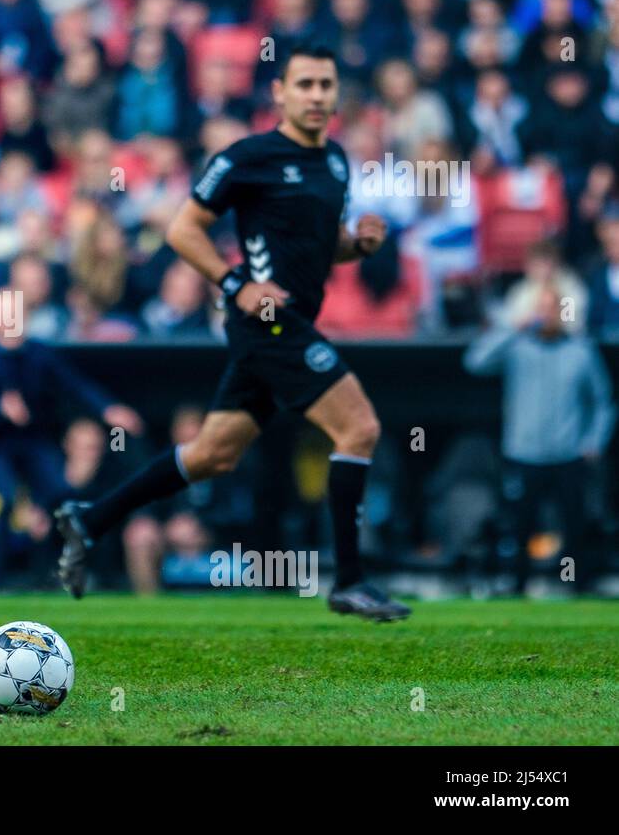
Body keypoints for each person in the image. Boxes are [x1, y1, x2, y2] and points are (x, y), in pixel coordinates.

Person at [53, 45, 412, 621]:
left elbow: (318, 248)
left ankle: (88, 519)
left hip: (292, 319)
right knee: (360, 426)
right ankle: (349, 579)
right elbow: (182, 230)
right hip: (267, 323)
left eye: (326, 85)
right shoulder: (249, 157)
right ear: (280, 93)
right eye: (306, 85)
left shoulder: (337, 162)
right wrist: (234, 283)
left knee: (213, 455)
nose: (317, 95)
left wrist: (357, 245)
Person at [464, 281, 615, 593]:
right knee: (519, 527)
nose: (546, 314)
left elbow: (603, 401)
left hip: (568, 454)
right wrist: (510, 328)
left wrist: (593, 442)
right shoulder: (517, 347)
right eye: (541, 308)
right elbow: (475, 362)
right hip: (524, 453)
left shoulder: (580, 351)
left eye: (552, 308)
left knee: (574, 525)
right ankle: (517, 587)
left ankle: (576, 586)